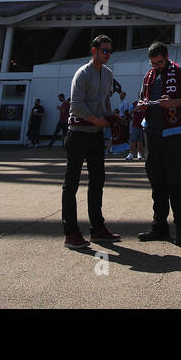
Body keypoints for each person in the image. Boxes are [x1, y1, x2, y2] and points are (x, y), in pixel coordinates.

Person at [135, 41, 181, 243]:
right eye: (153, 63)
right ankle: (159, 226)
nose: (157, 66)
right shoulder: (149, 76)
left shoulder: (180, 73)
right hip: (153, 134)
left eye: (160, 62)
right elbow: (140, 99)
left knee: (176, 183)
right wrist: (142, 106)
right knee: (157, 183)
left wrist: (173, 103)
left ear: (167, 56)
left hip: (175, 134)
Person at [62, 35, 121, 248]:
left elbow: (105, 100)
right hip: (78, 133)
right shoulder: (82, 74)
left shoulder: (108, 74)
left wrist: (110, 116)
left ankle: (97, 229)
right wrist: (97, 119)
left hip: (95, 135)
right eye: (104, 50)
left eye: (109, 51)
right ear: (93, 50)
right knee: (71, 184)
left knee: (97, 182)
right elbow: (75, 105)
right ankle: (71, 233)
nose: (107, 54)